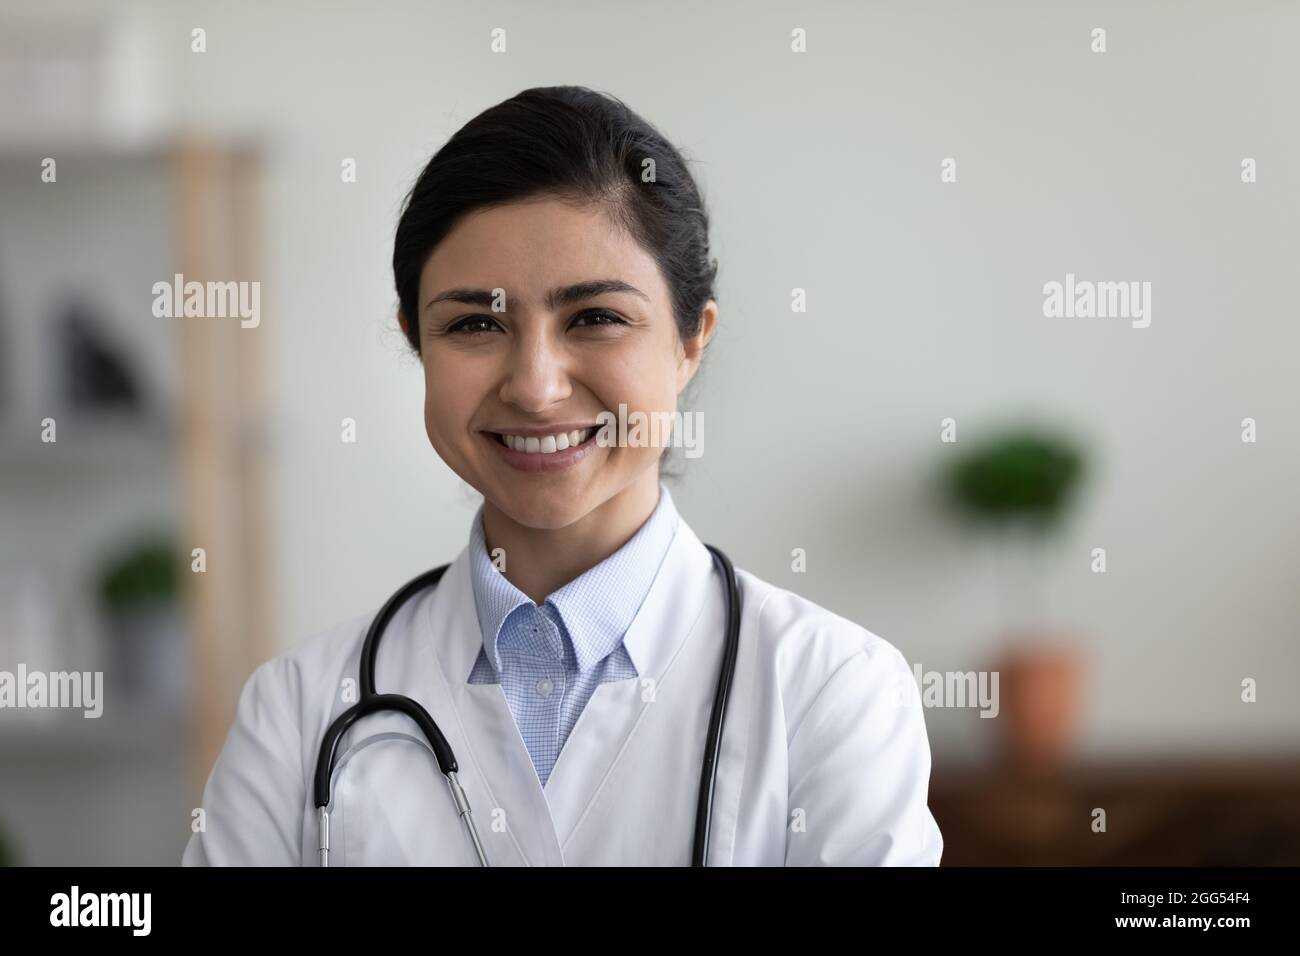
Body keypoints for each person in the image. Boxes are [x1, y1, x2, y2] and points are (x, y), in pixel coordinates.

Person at [183, 86, 943, 866]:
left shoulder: (834, 693)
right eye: (475, 324)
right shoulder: (298, 712)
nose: (536, 386)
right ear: (417, 340)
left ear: (691, 341)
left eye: (596, 318)